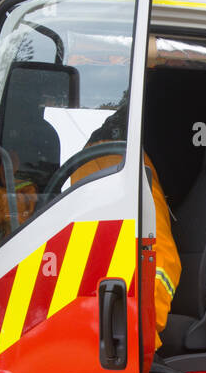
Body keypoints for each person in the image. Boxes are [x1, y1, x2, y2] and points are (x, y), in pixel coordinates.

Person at [73, 104, 181, 350]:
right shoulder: (104, 159)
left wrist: (141, 332)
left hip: (125, 332)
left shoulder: (115, 161)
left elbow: (161, 258)